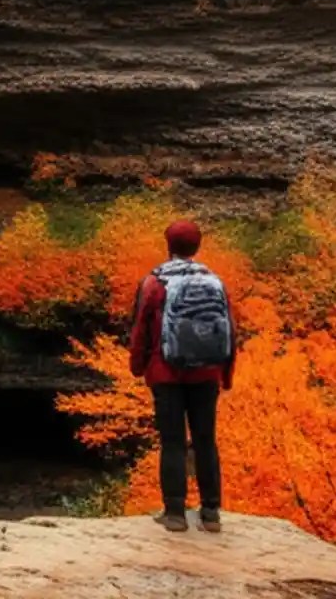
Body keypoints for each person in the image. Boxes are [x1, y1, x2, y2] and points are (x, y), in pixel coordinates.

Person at [128, 220, 235, 533]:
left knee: (172, 441)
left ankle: (175, 512)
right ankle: (211, 512)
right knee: (205, 440)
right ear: (197, 246)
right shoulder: (215, 281)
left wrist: (138, 366)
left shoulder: (154, 282)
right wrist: (225, 374)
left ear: (169, 245)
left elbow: (141, 330)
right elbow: (230, 330)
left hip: (166, 373)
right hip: (207, 374)